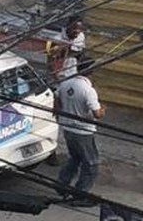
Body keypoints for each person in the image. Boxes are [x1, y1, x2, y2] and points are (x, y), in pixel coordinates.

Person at [53, 57, 103, 198]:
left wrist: (60, 112)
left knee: (75, 158)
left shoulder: (66, 83)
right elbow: (97, 114)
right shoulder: (88, 90)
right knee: (91, 164)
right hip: (83, 131)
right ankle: (80, 194)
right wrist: (103, 110)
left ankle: (61, 185)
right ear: (91, 72)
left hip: (68, 129)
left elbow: (56, 98)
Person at [51, 16, 86, 81]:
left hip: (73, 73)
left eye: (80, 29)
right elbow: (51, 61)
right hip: (59, 75)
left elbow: (81, 52)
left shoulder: (81, 36)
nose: (77, 31)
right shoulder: (57, 39)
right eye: (74, 28)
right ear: (68, 26)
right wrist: (55, 77)